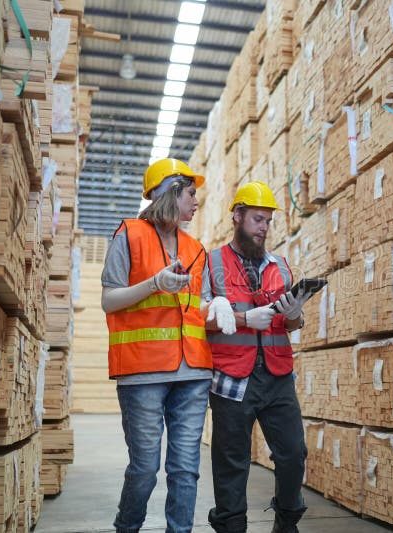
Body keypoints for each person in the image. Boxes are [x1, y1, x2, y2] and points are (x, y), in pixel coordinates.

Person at [101, 158, 214, 533]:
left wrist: (226, 309)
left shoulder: (196, 248)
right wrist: (155, 284)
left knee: (185, 469)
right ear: (171, 191)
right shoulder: (129, 235)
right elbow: (109, 299)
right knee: (145, 468)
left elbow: (199, 306)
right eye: (191, 193)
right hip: (142, 373)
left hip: (193, 372)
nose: (196, 201)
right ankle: (127, 527)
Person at [200, 181, 311, 533]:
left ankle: (287, 522)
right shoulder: (212, 261)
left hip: (278, 376)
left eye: (267, 221)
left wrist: (293, 311)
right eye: (257, 220)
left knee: (293, 453)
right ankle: (231, 526)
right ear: (237, 216)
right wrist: (245, 318)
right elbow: (198, 317)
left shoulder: (280, 264)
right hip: (232, 377)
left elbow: (292, 323)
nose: (263, 228)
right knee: (231, 461)